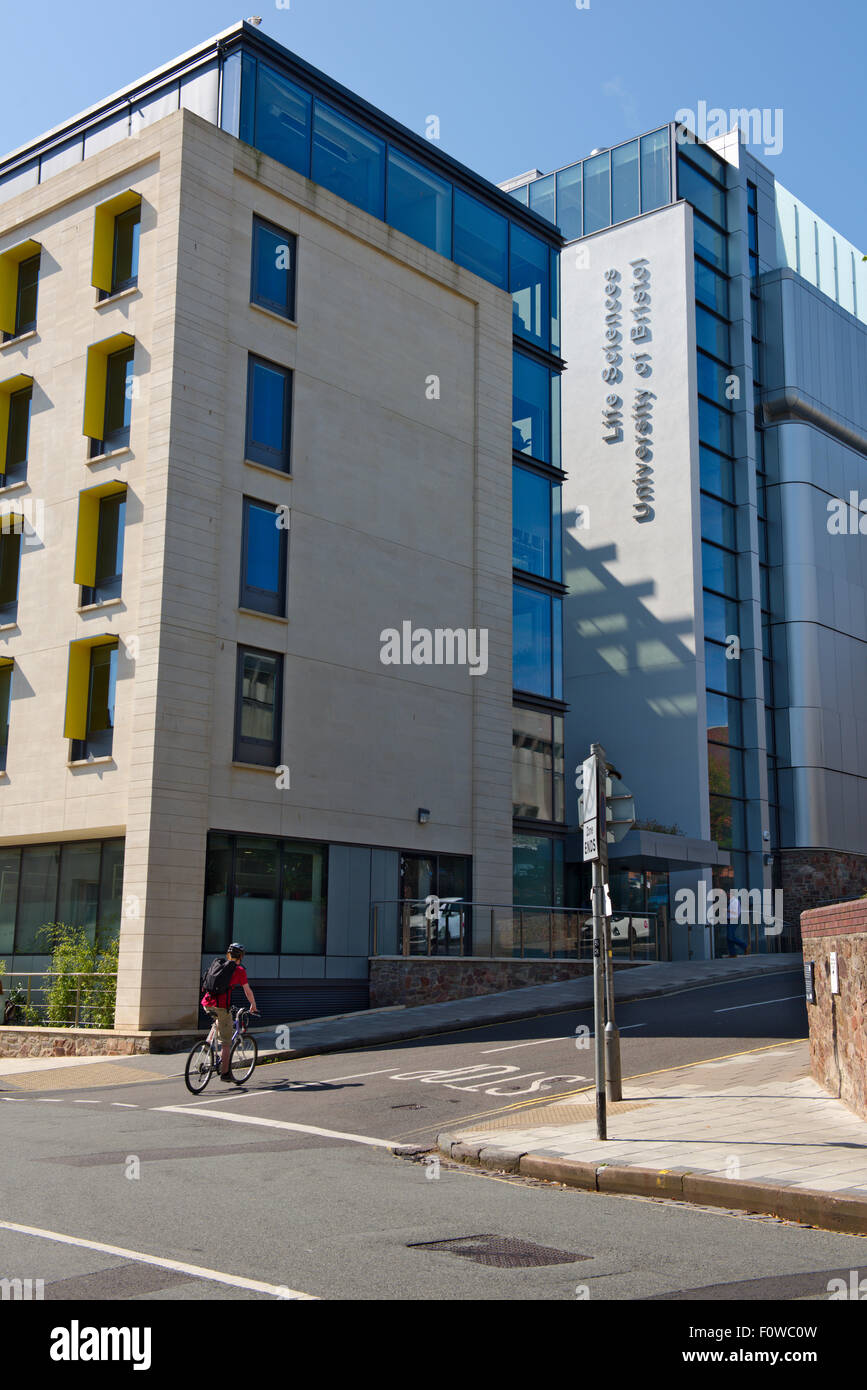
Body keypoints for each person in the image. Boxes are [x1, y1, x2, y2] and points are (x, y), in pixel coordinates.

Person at [201, 943, 259, 1082]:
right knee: (226, 1043)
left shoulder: (218, 964)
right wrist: (253, 1005)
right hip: (221, 1006)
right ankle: (226, 1073)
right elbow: (247, 991)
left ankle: (206, 1045)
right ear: (241, 957)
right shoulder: (239, 970)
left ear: (228, 955)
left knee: (218, 1021)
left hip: (206, 1003)